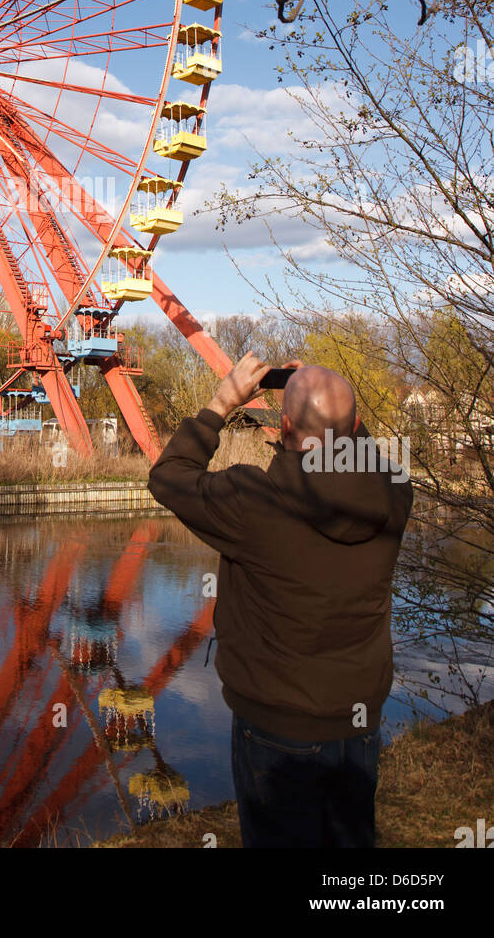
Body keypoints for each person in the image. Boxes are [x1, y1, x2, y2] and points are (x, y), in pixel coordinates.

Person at [148, 353, 413, 848]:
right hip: (358, 720)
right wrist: (329, 398)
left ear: (283, 426)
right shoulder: (396, 489)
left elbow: (169, 476)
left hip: (275, 729)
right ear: (356, 426)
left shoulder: (254, 502)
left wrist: (224, 401)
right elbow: (358, 449)